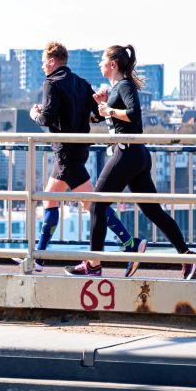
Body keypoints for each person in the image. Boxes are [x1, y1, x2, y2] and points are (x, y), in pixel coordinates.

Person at [67, 45, 196, 280]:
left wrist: (109, 109)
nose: (99, 64)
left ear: (113, 65)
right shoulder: (116, 88)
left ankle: (93, 264)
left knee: (97, 205)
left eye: (102, 60)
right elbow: (109, 116)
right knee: (153, 211)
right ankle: (188, 257)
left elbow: (133, 113)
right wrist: (104, 105)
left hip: (126, 152)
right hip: (136, 155)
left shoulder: (125, 85)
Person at [24, 41, 146, 273]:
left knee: (73, 202)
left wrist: (35, 114)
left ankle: (130, 244)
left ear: (52, 61)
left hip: (65, 153)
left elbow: (47, 118)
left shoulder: (51, 82)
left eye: (43, 62)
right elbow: (98, 116)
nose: (42, 67)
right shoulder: (81, 83)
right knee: (75, 203)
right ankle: (39, 260)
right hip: (78, 150)